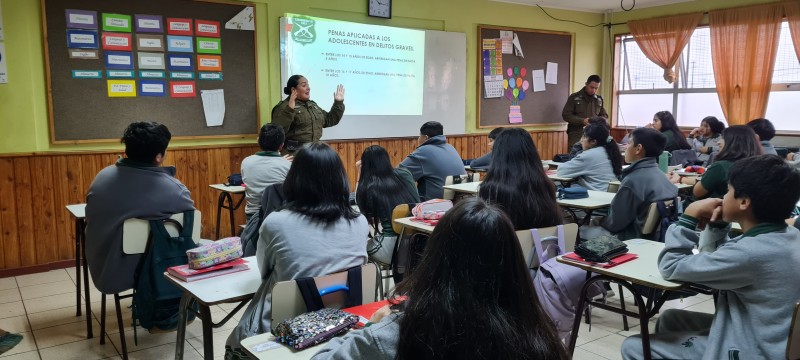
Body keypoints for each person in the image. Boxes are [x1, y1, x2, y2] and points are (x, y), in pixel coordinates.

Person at [311, 198, 569, 360]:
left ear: (434, 259)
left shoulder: (398, 333)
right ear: (514, 266)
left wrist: (372, 327)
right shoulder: (537, 334)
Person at [621, 155, 800, 360]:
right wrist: (717, 225)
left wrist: (687, 218)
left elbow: (670, 267)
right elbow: (714, 261)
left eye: (729, 190)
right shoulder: (789, 236)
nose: (724, 197)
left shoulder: (750, 253)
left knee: (634, 346)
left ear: (743, 202)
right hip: (773, 336)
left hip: (753, 349)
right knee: (671, 319)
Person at [225, 142, 369, 360]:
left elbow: (264, 271)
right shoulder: (359, 222)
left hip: (284, 328)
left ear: (294, 179)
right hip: (344, 322)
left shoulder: (276, 223)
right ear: (340, 178)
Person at [85, 121, 194, 294]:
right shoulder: (174, 189)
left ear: (127, 150)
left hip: (103, 269)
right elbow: (193, 230)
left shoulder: (102, 177)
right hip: (152, 272)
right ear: (159, 156)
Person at [602, 127, 678, 240]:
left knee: (583, 229)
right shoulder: (662, 176)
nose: (626, 148)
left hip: (628, 239)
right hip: (657, 239)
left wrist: (600, 221)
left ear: (638, 148)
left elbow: (615, 224)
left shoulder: (632, 181)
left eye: (629, 143)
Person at [478, 127, 561, 230]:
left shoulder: (492, 188)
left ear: (498, 155)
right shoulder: (546, 184)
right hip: (542, 243)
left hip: (508, 243)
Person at [356, 145, 420, 265]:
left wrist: (360, 177)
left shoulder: (369, 186)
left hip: (390, 248)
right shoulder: (405, 173)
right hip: (418, 243)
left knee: (358, 250)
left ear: (365, 165)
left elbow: (363, 214)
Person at [670, 126, 761, 200]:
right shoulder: (757, 165)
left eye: (722, 139)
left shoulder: (720, 167)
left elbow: (698, 192)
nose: (718, 143)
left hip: (707, 215)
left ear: (733, 143)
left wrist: (679, 179)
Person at [271, 75, 345, 154]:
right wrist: (289, 110)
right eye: (304, 85)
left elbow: (330, 120)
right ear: (293, 89)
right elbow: (277, 132)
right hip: (294, 154)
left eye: (308, 85)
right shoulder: (283, 107)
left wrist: (338, 103)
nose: (308, 88)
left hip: (314, 152)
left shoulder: (312, 105)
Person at [399, 121, 466, 201]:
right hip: (458, 203)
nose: (418, 139)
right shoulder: (451, 147)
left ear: (425, 138)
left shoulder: (423, 151)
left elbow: (399, 174)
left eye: (419, 136)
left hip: (432, 206)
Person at [240, 124, 291, 220]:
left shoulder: (246, 162)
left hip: (252, 217)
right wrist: (281, 161)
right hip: (279, 218)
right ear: (281, 146)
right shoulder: (287, 166)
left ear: (258, 141)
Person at [557, 120, 623, 191]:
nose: (581, 140)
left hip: (596, 196)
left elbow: (562, 171)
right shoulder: (608, 150)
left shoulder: (589, 155)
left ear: (593, 141)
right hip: (608, 195)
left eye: (584, 137)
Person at [562, 74, 609, 149]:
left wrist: (597, 121)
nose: (593, 90)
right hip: (577, 133)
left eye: (596, 88)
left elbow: (604, 116)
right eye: (591, 87)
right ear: (586, 84)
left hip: (593, 133)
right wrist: (582, 121)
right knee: (575, 155)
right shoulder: (574, 97)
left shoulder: (598, 100)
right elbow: (566, 115)